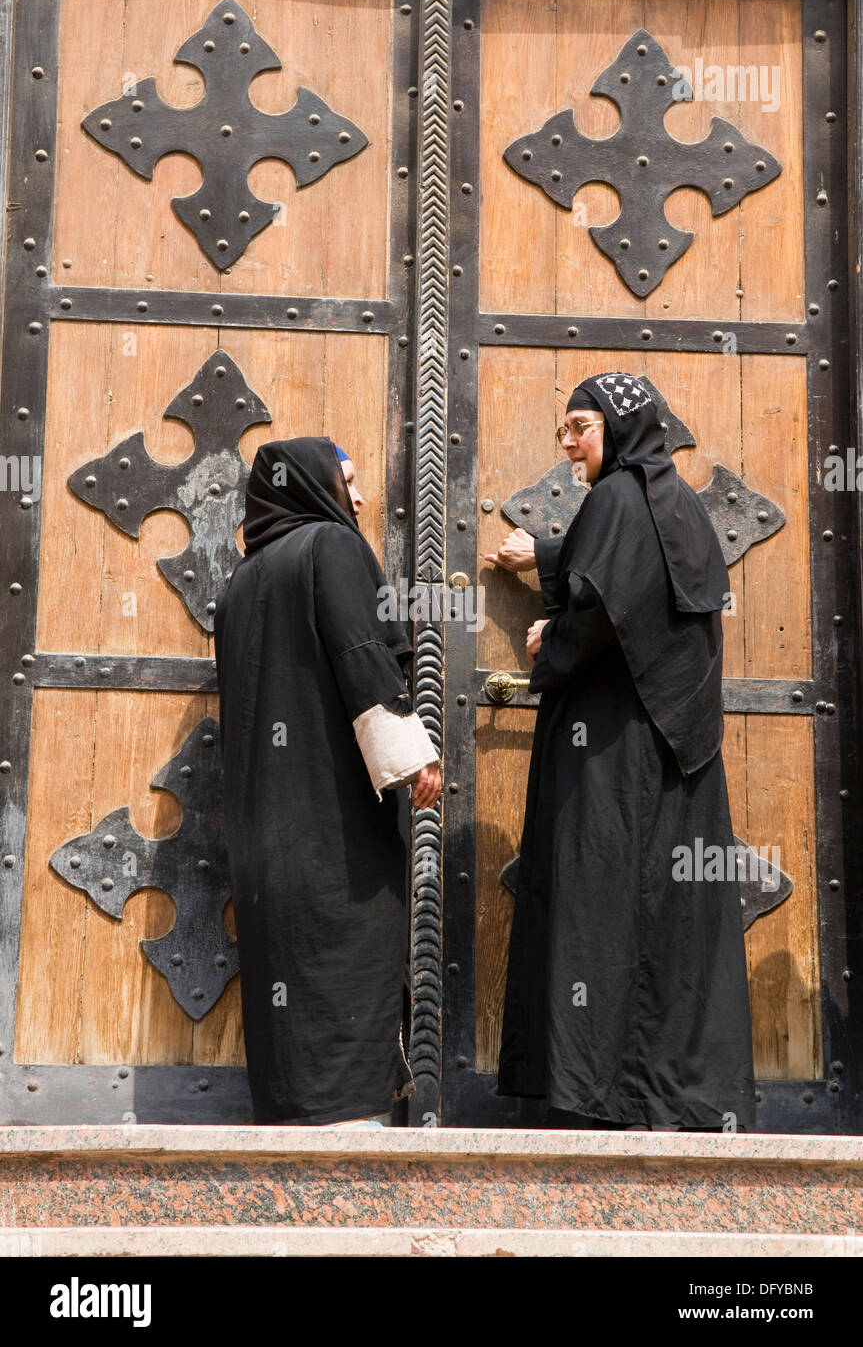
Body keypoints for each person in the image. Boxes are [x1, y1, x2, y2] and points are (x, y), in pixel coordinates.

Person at [483, 372, 756, 1132]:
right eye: (564, 428)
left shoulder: (613, 499)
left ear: (619, 429)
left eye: (580, 426)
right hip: (669, 748)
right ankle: (673, 1095)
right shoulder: (672, 503)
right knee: (663, 914)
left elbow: (601, 602)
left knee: (596, 898)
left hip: (607, 747)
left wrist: (549, 645)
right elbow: (632, 582)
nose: (567, 442)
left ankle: (593, 1094)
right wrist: (543, 558)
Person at [214, 437, 442, 1126]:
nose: (361, 497)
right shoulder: (328, 547)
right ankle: (348, 1128)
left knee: (285, 961)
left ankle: (294, 1115)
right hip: (329, 820)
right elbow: (361, 653)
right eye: (348, 480)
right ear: (314, 485)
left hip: (263, 828)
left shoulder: (242, 580)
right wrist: (412, 756)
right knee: (346, 948)